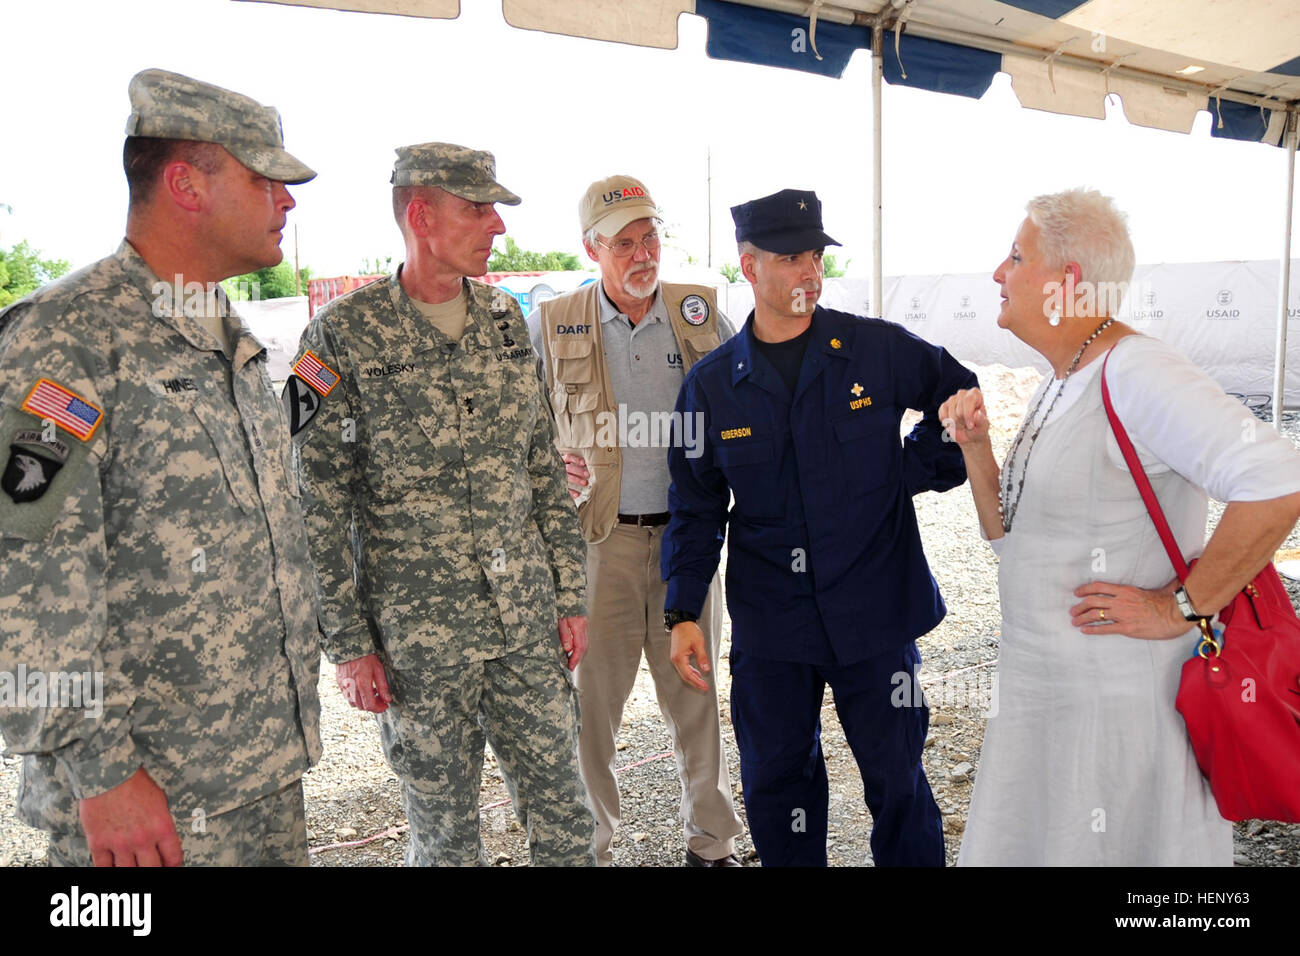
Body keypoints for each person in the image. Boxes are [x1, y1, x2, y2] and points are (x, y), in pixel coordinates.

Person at [0, 68, 322, 866]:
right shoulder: (68, 340)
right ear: (185, 183)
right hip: (145, 807)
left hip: (258, 778)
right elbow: (22, 576)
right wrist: (102, 774)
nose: (288, 200)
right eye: (265, 178)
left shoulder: (226, 333)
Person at [940, 188, 1300, 866]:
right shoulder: (1065, 374)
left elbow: (1278, 481)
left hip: (1116, 713)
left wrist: (1181, 607)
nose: (997, 273)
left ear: (1067, 282)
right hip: (1043, 697)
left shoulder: (1137, 370)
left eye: (1016, 257)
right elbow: (1011, 541)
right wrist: (977, 449)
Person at [289, 142, 593, 866]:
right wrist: (350, 644)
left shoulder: (503, 320)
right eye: (478, 207)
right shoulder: (337, 336)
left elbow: (541, 465)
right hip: (417, 646)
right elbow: (316, 500)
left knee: (565, 823)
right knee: (446, 842)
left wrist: (569, 594)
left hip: (524, 624)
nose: (497, 225)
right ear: (421, 215)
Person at [661, 188, 977, 866]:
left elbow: (960, 399)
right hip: (775, 628)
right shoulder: (712, 387)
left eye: (814, 256)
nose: (809, 271)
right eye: (790, 258)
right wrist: (683, 609)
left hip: (876, 614)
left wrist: (908, 472)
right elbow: (694, 503)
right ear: (749, 267)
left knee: (898, 780)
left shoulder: (875, 350)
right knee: (779, 786)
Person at [527, 175, 745, 867]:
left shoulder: (701, 311)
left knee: (697, 695)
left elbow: (753, 403)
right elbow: (520, 426)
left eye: (649, 237)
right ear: (592, 249)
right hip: (602, 544)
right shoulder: (556, 319)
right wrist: (548, 458)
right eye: (624, 242)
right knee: (593, 711)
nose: (642, 253)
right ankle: (592, 849)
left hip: (686, 545)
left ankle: (712, 845)